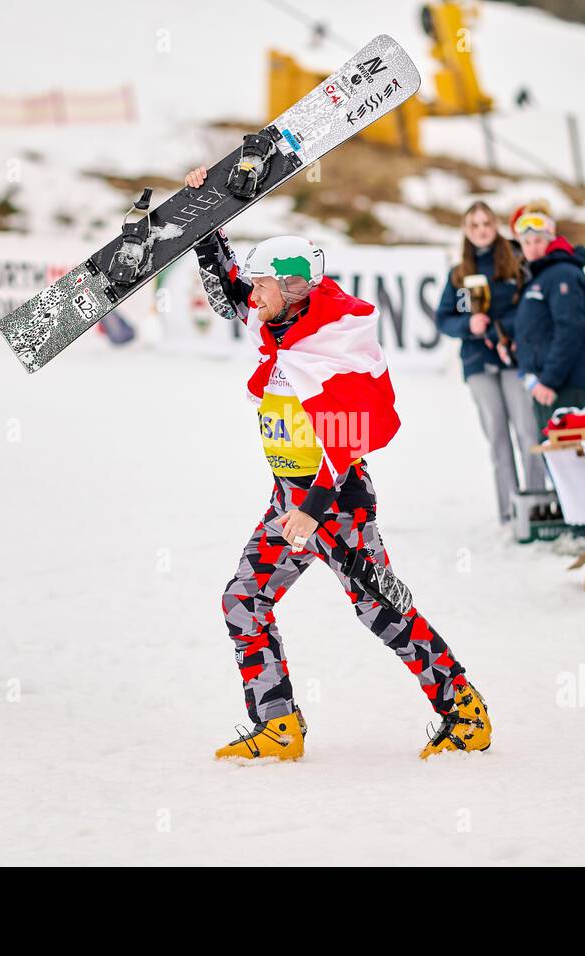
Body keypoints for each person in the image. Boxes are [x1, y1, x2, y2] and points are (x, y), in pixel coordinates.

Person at [184, 165, 491, 761]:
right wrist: (202, 214)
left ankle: (465, 713)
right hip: (289, 498)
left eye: (264, 285)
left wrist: (312, 508)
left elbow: (347, 441)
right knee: (242, 602)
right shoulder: (277, 323)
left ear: (292, 289)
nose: (254, 292)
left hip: (335, 505)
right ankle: (278, 727)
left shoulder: (333, 345)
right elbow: (226, 288)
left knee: (383, 612)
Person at [434, 200, 545, 524]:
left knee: (528, 431)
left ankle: (537, 505)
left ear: (495, 226)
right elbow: (443, 318)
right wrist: (468, 326)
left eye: (486, 224)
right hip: (478, 362)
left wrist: (502, 330)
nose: (481, 230)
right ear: (467, 232)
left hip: (514, 360)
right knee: (497, 435)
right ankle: (510, 511)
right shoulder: (459, 273)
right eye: (474, 225)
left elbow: (529, 309)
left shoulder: (515, 262)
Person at [510, 210, 585, 437]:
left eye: (538, 240)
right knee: (557, 462)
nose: (532, 247)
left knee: (571, 461)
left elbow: (570, 330)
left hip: (563, 387)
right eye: (526, 242)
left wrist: (549, 381)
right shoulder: (539, 275)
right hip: (545, 386)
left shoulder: (562, 274)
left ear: (550, 240)